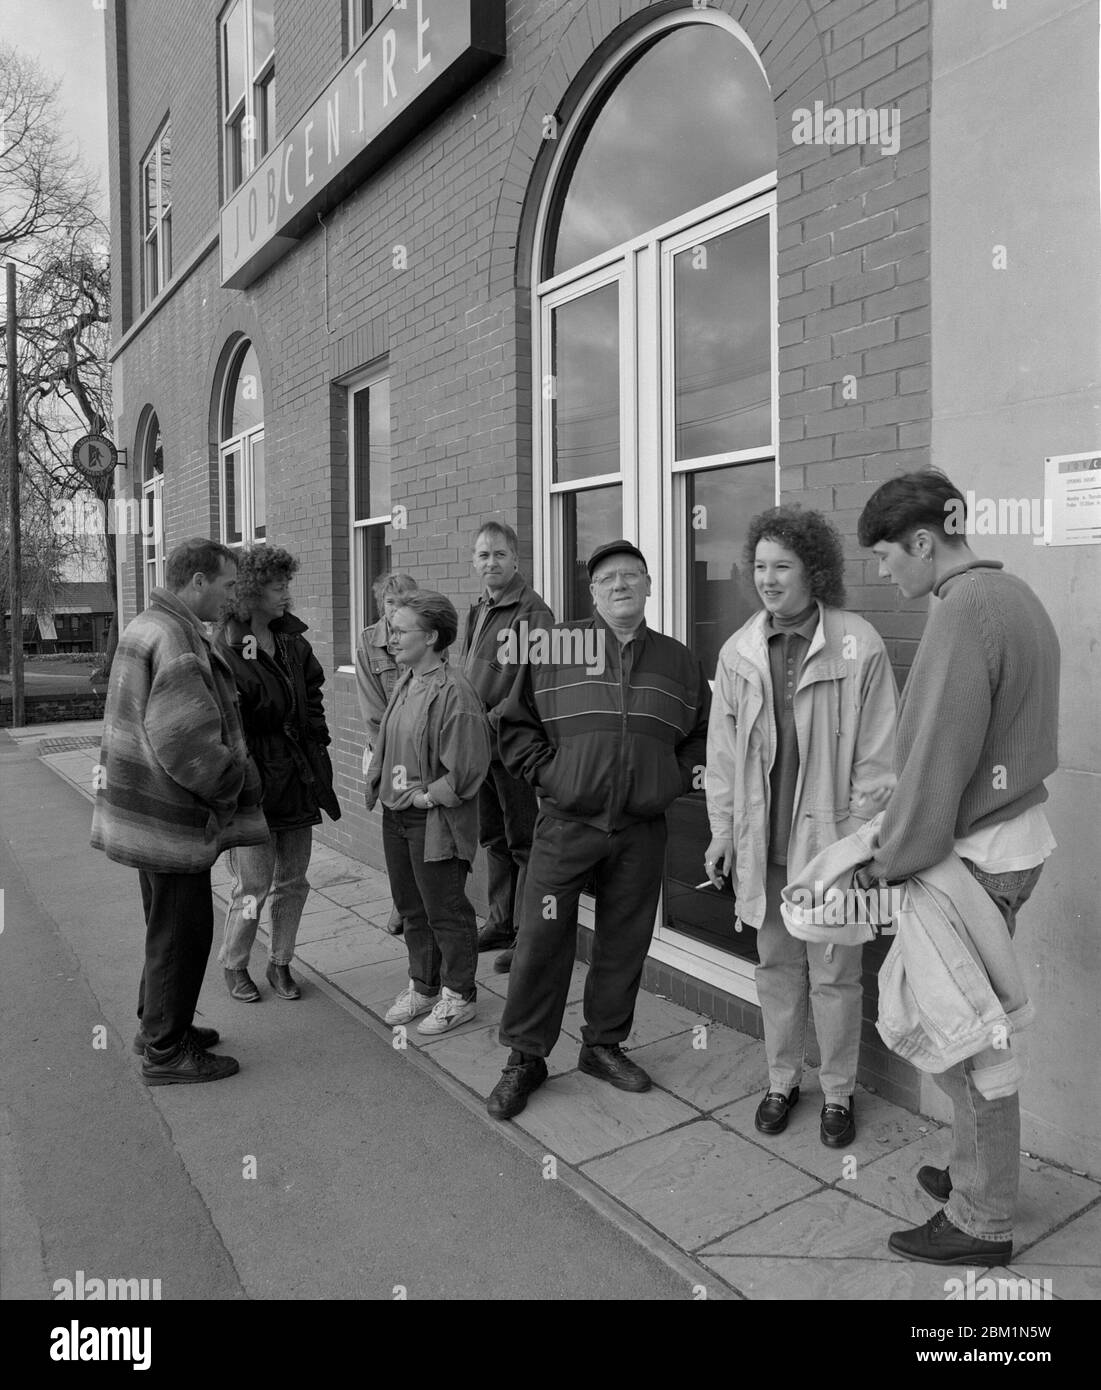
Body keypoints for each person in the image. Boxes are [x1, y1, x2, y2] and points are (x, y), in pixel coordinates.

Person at [857, 470, 1060, 1266]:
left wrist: (888, 858)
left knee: (970, 1041)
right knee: (970, 1027)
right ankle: (980, 1174)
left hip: (970, 858)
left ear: (920, 542)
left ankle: (982, 1220)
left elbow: (940, 755)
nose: (885, 573)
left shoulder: (962, 607)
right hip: (1010, 843)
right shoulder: (1014, 596)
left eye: (885, 556)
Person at [486, 540, 710, 1120]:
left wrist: (672, 779)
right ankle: (525, 1059)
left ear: (649, 586)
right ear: (592, 592)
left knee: (625, 939)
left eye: (632, 576)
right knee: (541, 939)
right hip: (567, 823)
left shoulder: (679, 660)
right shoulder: (554, 647)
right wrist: (552, 776)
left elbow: (704, 735)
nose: (620, 586)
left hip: (640, 827)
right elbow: (514, 725)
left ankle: (603, 1046)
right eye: (608, 578)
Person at [705, 507, 898, 1148]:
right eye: (759, 566)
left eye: (782, 565)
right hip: (769, 847)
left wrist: (861, 846)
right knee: (776, 968)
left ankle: (838, 1092)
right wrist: (722, 833)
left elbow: (878, 759)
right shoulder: (738, 652)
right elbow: (725, 760)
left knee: (837, 975)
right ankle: (781, 1079)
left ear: (814, 570)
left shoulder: (858, 644)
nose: (768, 578)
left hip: (831, 850)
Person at [90, 538, 267, 1085]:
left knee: (164, 925)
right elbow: (187, 743)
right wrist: (239, 781)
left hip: (146, 812)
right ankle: (167, 1054)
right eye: (228, 584)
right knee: (182, 931)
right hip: (170, 818)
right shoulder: (177, 639)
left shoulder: (149, 624)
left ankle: (160, 1026)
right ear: (197, 582)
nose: (234, 596)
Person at [215, 545, 342, 1003]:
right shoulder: (227, 644)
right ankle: (234, 962)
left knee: (294, 879)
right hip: (254, 780)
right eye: (276, 584)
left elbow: (312, 694)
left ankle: (281, 962)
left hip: (298, 773)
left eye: (287, 583)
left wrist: (318, 738)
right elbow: (228, 720)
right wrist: (244, 773)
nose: (285, 592)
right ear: (250, 591)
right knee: (253, 882)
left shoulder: (293, 641)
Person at [365, 591, 491, 1035]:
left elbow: (471, 766)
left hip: (430, 820)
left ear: (432, 636)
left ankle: (460, 995)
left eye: (400, 631)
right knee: (411, 907)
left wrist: (428, 797)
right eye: (390, 629)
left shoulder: (455, 691)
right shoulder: (408, 679)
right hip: (396, 816)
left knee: (446, 910)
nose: (390, 639)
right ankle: (424, 986)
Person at [460, 520, 554, 973]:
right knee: (493, 838)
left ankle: (529, 937)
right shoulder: (479, 610)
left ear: (516, 559)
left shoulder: (532, 613)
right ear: (474, 562)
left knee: (524, 843)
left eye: (499, 554)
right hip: (479, 748)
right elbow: (465, 675)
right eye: (483, 555)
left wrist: (485, 726)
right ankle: (500, 922)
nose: (491, 562)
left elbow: (530, 689)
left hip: (513, 749)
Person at [356, 570, 418, 935]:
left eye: (406, 600)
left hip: (422, 752)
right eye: (391, 602)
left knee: (419, 830)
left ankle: (415, 903)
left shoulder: (423, 635)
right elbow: (373, 712)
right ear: (382, 605)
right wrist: (395, 755)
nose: (398, 608)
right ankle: (402, 905)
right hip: (388, 752)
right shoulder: (369, 642)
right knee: (396, 831)